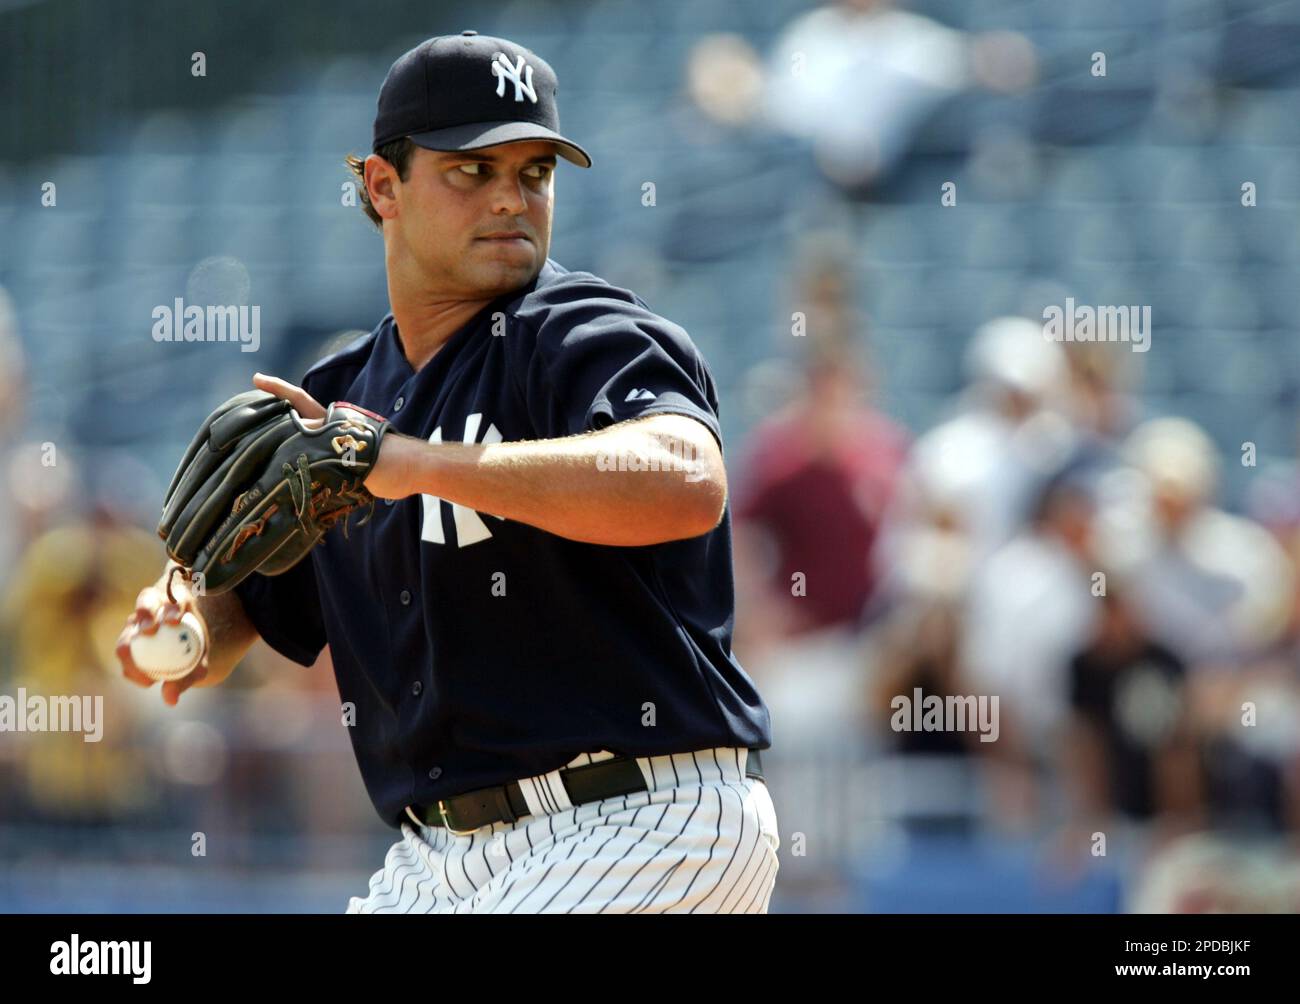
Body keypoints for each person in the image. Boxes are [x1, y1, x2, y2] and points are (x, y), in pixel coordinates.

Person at [116, 32, 778, 914]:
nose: (511, 197)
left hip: (643, 819)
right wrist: (192, 616)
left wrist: (410, 463)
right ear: (382, 187)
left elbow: (686, 481)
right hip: (440, 856)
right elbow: (260, 597)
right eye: (472, 169)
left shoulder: (579, 333)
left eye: (534, 172)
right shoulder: (343, 396)